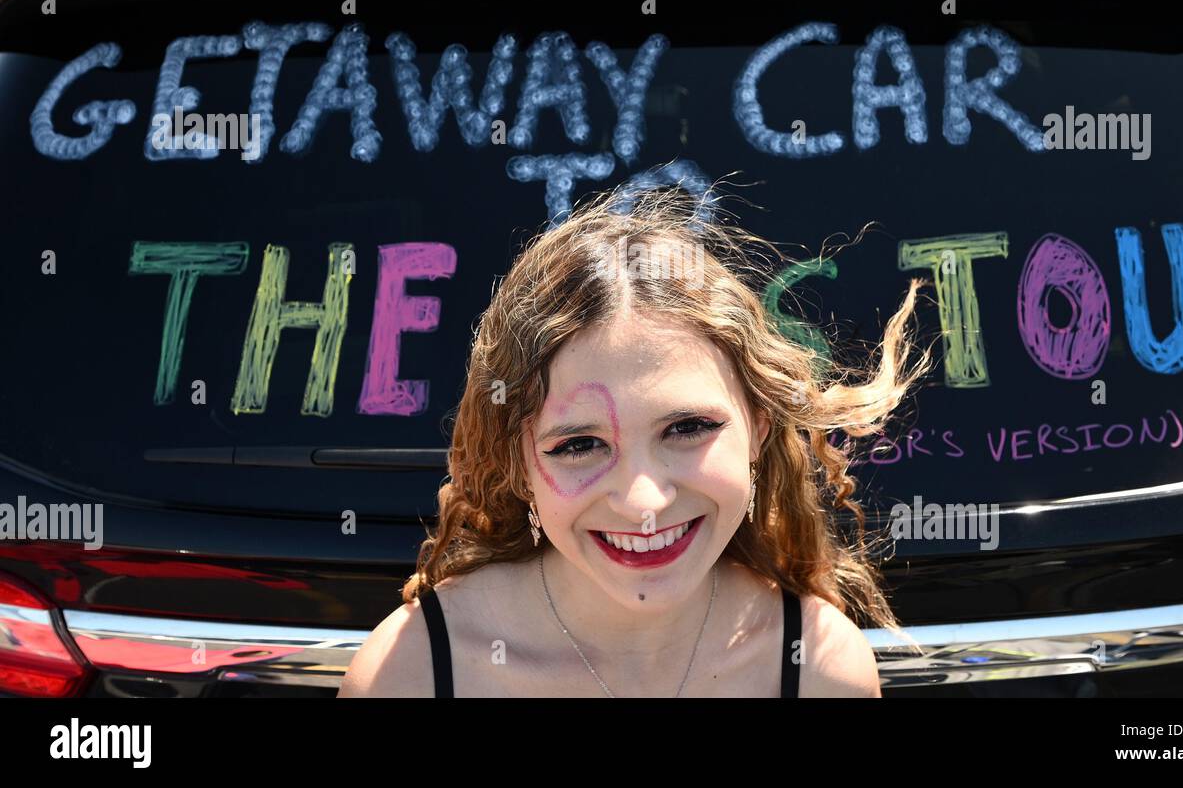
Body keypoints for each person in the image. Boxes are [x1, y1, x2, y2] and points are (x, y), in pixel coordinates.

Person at [340, 183, 928, 697]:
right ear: (516, 462)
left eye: (688, 428)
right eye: (578, 445)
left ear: (760, 425)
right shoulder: (412, 673)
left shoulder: (821, 668)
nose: (644, 503)